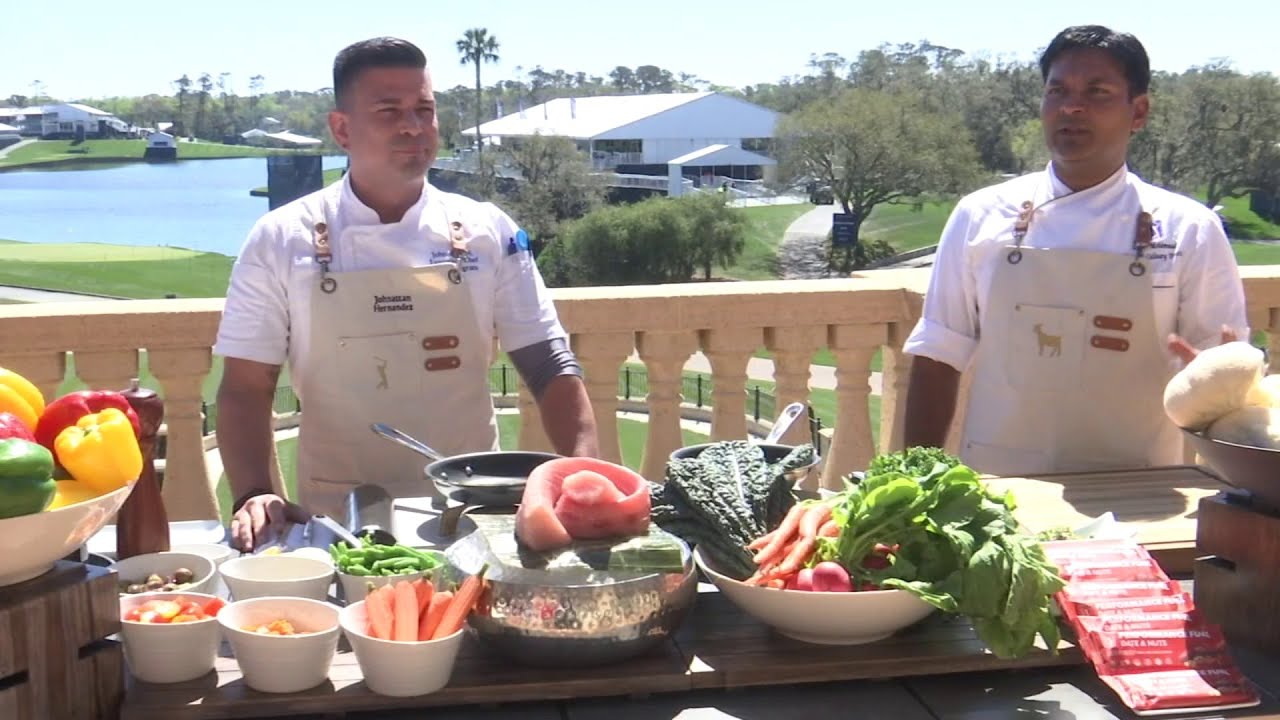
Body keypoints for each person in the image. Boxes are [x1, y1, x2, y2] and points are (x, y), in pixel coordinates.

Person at [214, 37, 599, 551]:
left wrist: (586, 474)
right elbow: (245, 385)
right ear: (342, 128)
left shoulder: (488, 230)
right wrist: (254, 492)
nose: (413, 127)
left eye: (424, 109)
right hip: (336, 518)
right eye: (389, 111)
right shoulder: (281, 238)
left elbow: (547, 363)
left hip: (474, 512)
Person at [901, 25, 1247, 477]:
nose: (1071, 106)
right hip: (998, 487)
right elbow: (938, 354)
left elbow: (1222, 374)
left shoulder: (1188, 228)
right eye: (1057, 90)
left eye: (1097, 92)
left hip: (1138, 484)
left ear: (1138, 111)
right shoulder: (980, 214)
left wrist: (1213, 379)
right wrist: (911, 482)